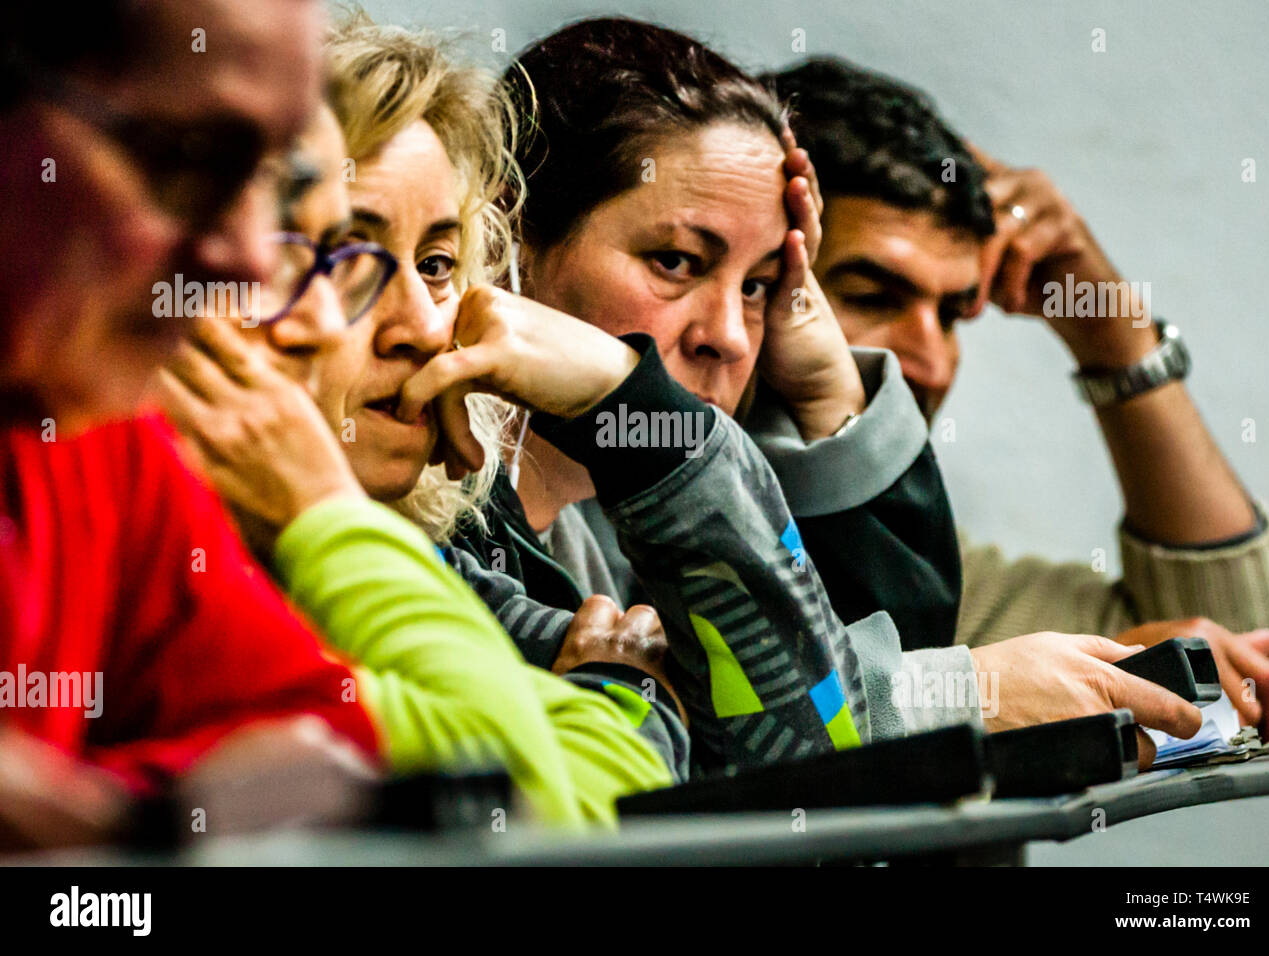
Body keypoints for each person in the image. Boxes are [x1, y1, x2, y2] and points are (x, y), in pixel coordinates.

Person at [412, 16, 1204, 763]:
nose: (726, 333)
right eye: (677, 261)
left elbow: (880, 645)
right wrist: (965, 695)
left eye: (760, 284)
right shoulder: (423, 522)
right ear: (504, 236)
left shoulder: (618, 533)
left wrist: (825, 386)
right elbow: (755, 746)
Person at [156, 30, 675, 822]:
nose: (423, 330)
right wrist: (320, 514)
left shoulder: (430, 554)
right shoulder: (174, 575)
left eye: (437, 264)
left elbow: (632, 787)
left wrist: (631, 398)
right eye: (336, 258)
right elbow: (530, 804)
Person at [768, 57, 1269, 746]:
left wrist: (1114, 340)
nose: (933, 363)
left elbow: (1254, 660)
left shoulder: (923, 573)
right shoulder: (629, 530)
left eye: (955, 313)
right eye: (873, 297)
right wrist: (971, 693)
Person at [0, 0, 382, 849]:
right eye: (188, 162)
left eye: (272, 178)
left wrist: (121, 818)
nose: (250, 255)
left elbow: (320, 736)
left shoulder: (96, 431)